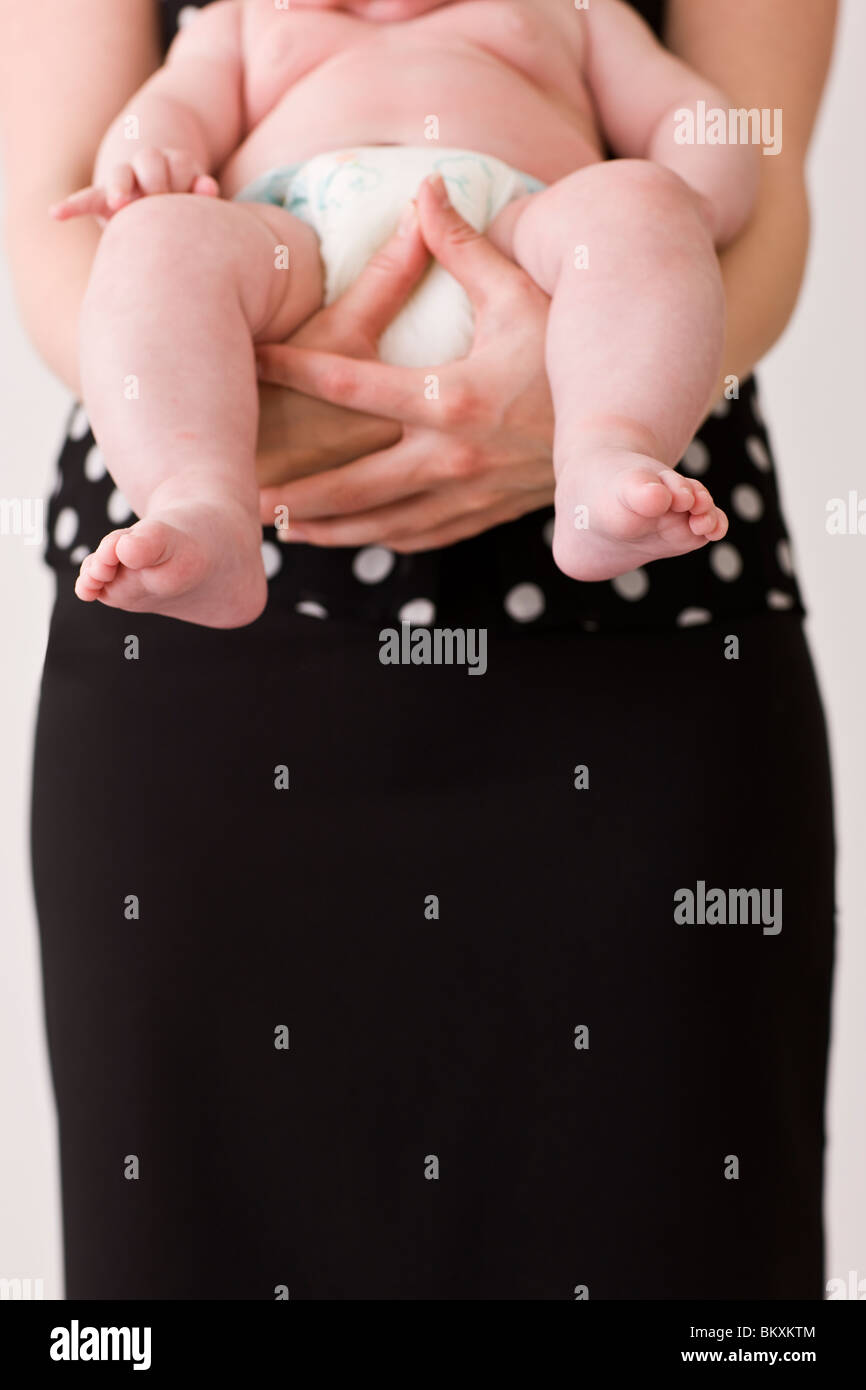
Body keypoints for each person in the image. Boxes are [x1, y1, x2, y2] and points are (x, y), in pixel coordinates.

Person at [2, 0, 837, 1298]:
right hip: (285, 280)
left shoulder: (567, 19)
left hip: (617, 581)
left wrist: (672, 182)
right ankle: (201, 500)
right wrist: (154, 166)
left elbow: (739, 167)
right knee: (164, 243)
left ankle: (610, 446)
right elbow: (80, 184)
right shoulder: (245, 28)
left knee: (637, 213)